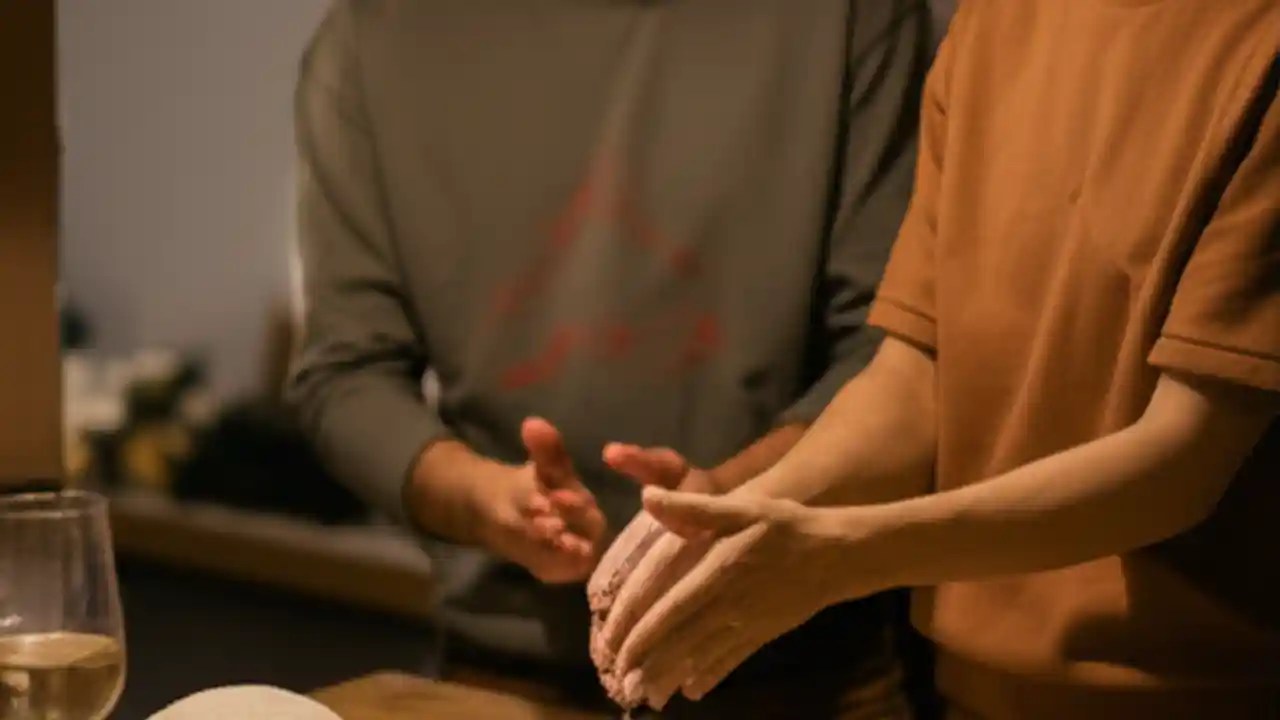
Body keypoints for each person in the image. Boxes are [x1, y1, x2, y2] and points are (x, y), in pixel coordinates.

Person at [597, 0, 1280, 717]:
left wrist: (842, 557)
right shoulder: (996, 21)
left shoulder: (1256, 41)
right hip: (969, 692)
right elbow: (915, 377)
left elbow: (1185, 458)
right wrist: (750, 512)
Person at [287, 0, 933, 715]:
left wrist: (731, 496)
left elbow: (902, 353)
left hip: (811, 666)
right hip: (509, 668)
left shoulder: (852, 18)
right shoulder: (373, 39)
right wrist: (485, 500)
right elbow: (346, 373)